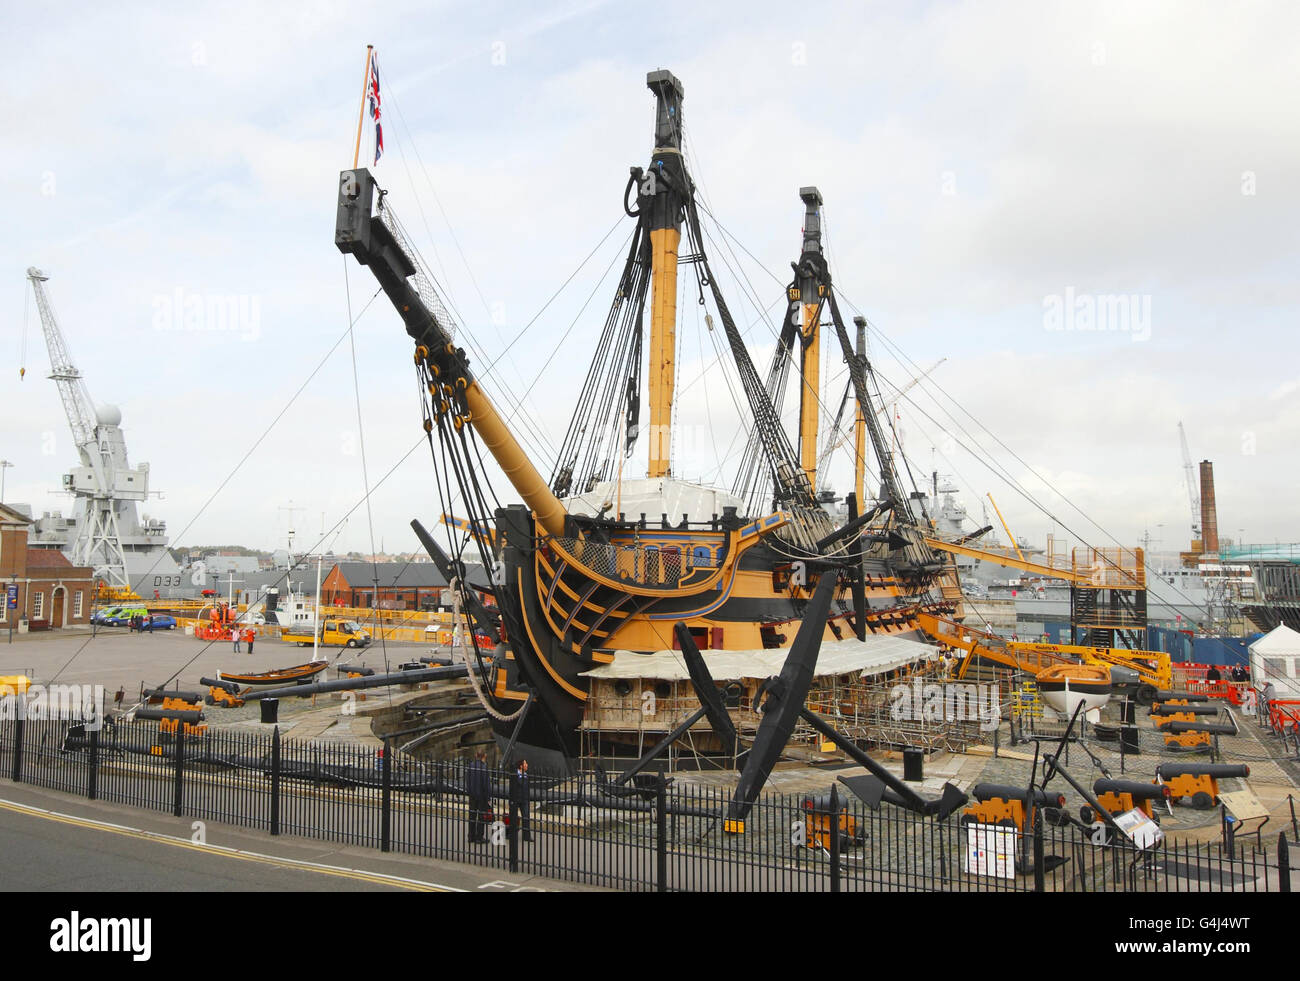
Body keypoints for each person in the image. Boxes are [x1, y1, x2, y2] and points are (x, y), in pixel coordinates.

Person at [466, 749, 490, 844]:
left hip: (472, 795)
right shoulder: (484, 767)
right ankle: (479, 837)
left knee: (472, 815)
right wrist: (488, 798)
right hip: (481, 796)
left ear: (476, 755)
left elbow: (467, 780)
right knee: (481, 817)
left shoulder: (471, 765)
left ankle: (471, 836)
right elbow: (486, 785)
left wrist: (469, 792)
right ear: (484, 756)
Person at [508, 758, 532, 842]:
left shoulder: (526, 775)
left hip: (524, 799)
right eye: (525, 764)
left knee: (526, 817)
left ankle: (527, 836)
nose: (527, 765)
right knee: (513, 817)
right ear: (521, 766)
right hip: (516, 798)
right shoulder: (515, 775)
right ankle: (511, 834)